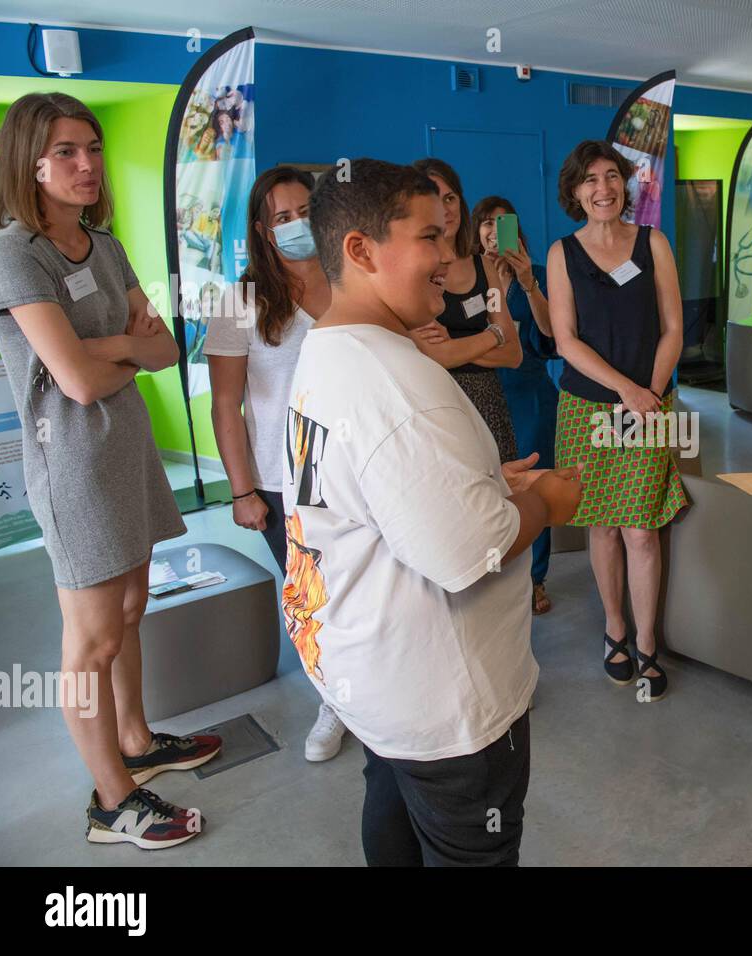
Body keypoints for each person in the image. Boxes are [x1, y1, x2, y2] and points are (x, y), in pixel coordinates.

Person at [283, 158, 582, 866]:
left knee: (390, 810)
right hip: (444, 703)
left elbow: (372, 495)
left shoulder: (330, 351)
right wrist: (543, 501)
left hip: (372, 676)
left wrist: (478, 480)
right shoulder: (397, 381)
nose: (448, 261)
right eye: (429, 239)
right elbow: (464, 553)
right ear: (361, 251)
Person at [0, 92, 221, 849]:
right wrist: (124, 349)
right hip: (74, 470)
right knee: (88, 644)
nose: (86, 163)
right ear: (28, 160)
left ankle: (136, 742)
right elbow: (79, 382)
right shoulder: (15, 252)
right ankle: (110, 802)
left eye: (91, 147)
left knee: (129, 613)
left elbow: (165, 349)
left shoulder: (108, 245)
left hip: (126, 450)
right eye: (66, 151)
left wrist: (116, 351)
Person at [204, 165, 348, 762]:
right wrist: (243, 492)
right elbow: (224, 403)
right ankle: (333, 701)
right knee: (311, 595)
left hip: (355, 462)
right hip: (283, 475)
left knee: (365, 586)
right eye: (282, 218)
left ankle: (378, 690)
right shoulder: (240, 301)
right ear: (263, 231)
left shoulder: (352, 280)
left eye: (305, 212)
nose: (296, 226)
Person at [547, 140, 688, 700]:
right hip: (587, 406)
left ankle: (648, 643)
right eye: (590, 180)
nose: (602, 188)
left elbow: (675, 327)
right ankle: (614, 630)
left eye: (611, 177)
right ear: (575, 191)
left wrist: (648, 392)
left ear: (625, 185)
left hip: (650, 403)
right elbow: (565, 341)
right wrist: (624, 389)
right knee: (601, 524)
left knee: (642, 529)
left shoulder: (653, 243)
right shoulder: (563, 253)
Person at [472, 196, 560, 615]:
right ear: (475, 232)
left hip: (530, 394)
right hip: (480, 393)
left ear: (517, 232)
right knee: (484, 486)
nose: (493, 230)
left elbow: (553, 337)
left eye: (503, 222)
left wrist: (528, 283)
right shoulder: (463, 279)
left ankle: (534, 577)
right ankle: (489, 571)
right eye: (486, 223)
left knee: (532, 485)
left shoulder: (538, 275)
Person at [409, 158, 522, 463]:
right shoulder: (412, 271)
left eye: (450, 198)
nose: (444, 209)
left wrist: (455, 345)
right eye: (433, 198)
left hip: (488, 404)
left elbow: (514, 354)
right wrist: (493, 334)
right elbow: (437, 356)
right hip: (438, 403)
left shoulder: (485, 267)